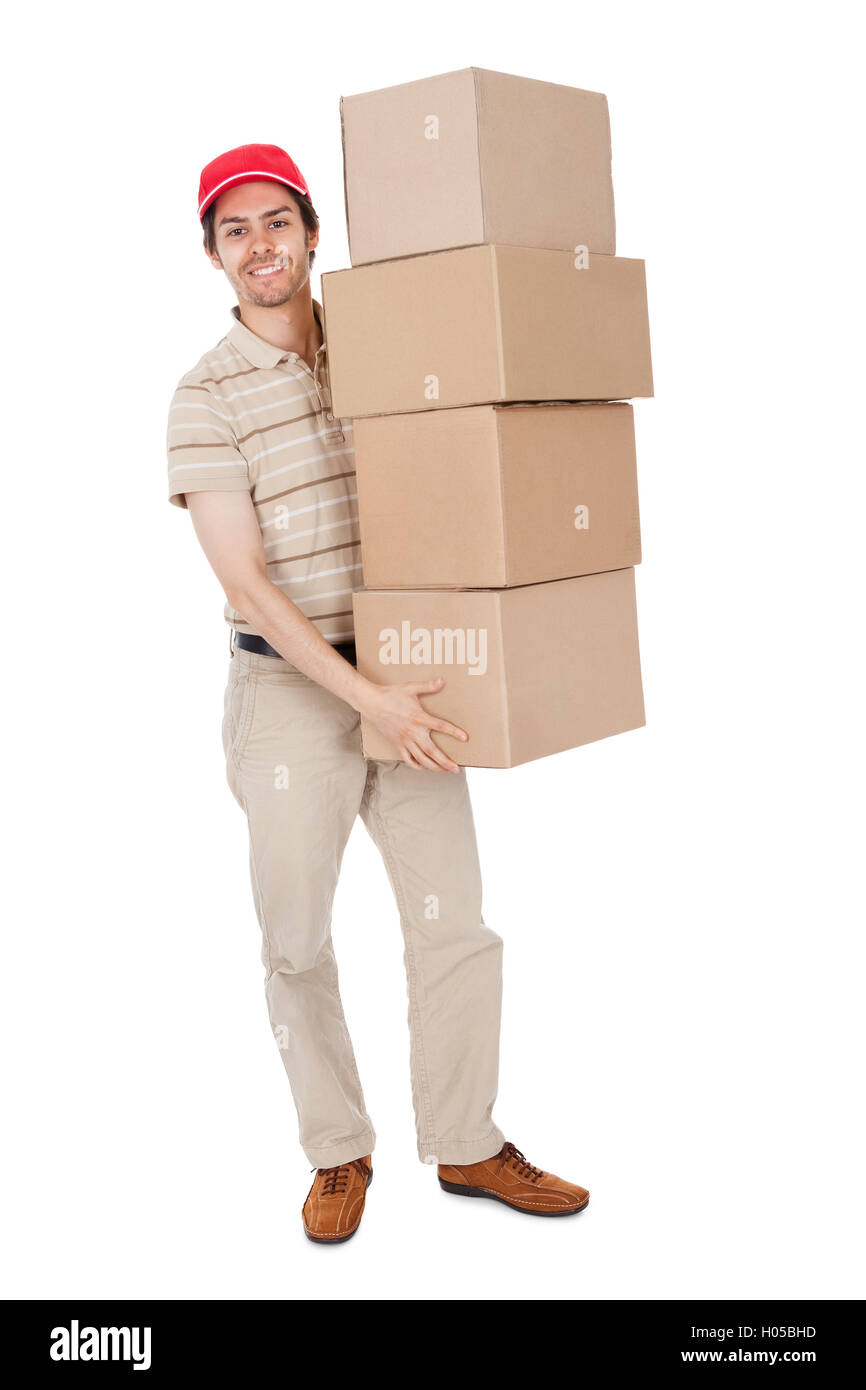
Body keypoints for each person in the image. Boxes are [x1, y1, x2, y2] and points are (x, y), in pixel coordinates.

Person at [166, 142, 590, 1243]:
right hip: (289, 697)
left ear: (312, 233)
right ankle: (335, 1150)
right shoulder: (203, 396)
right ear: (211, 255)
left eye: (276, 222)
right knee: (296, 940)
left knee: (453, 923)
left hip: (412, 665)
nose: (260, 245)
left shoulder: (387, 350)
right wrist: (369, 700)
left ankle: (464, 1142)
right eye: (234, 230)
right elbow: (246, 581)